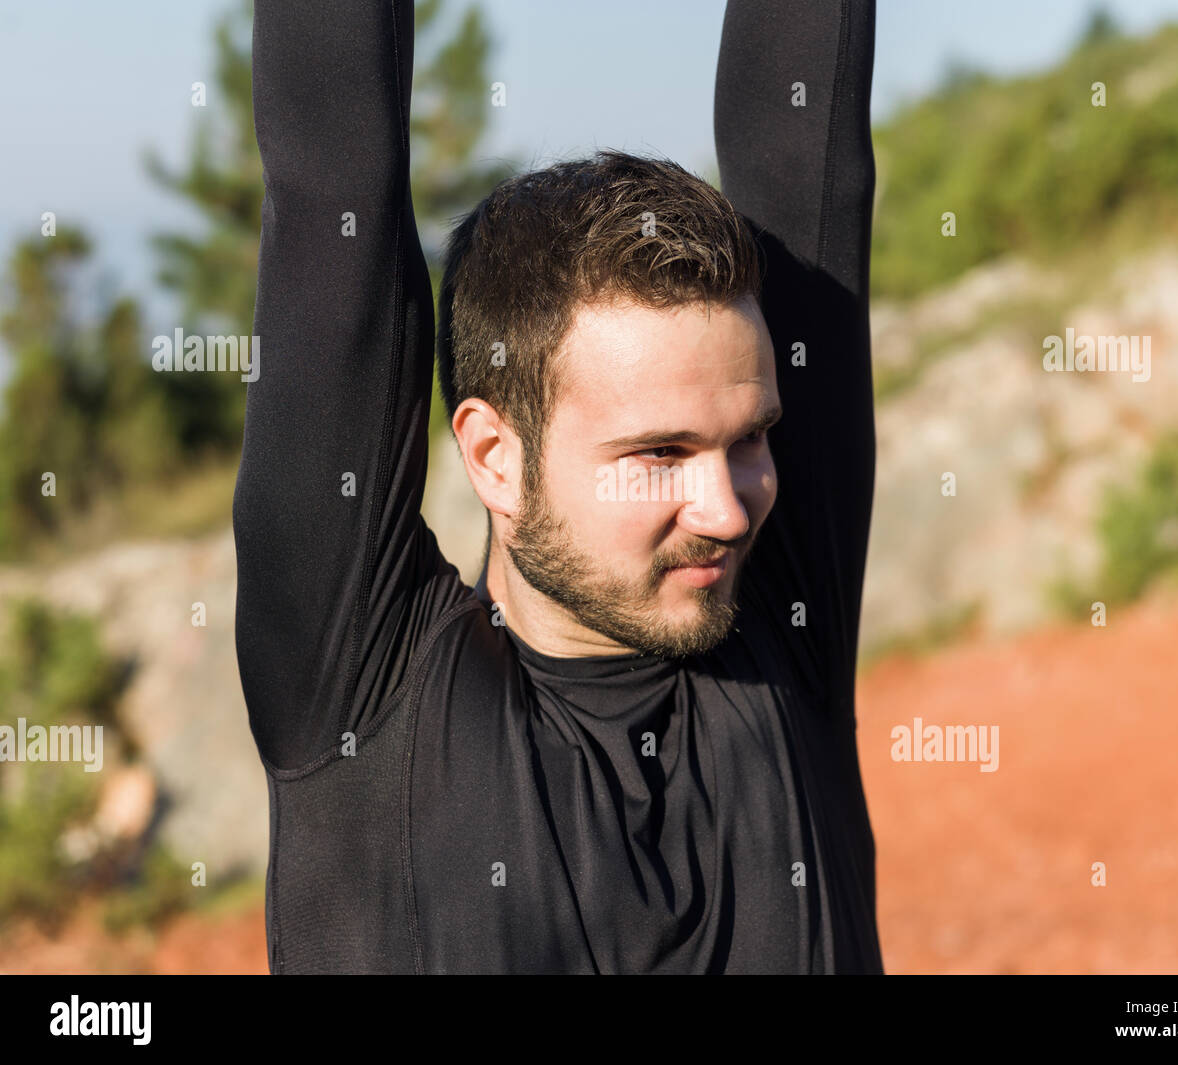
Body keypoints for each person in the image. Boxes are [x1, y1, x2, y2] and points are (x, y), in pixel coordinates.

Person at [235, 0, 881, 973]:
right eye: (658, 455)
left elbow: (804, 144)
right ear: (496, 456)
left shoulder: (784, 628)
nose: (730, 508)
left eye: (750, 439)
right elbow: (336, 178)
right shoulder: (365, 693)